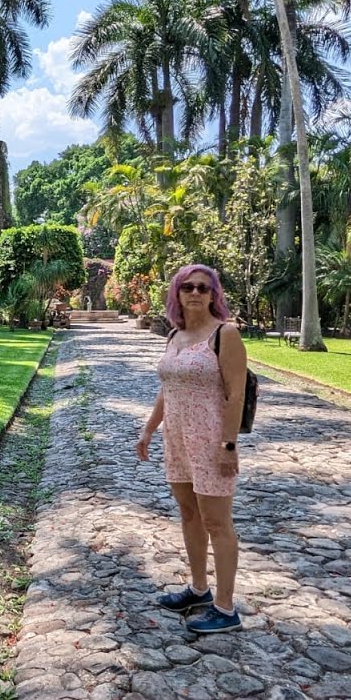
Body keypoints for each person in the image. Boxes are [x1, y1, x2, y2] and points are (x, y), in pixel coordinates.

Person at [136, 264, 248, 634]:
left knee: (217, 522)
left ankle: (226, 607)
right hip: (178, 441)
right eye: (188, 287)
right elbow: (168, 388)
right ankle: (199, 590)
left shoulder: (225, 335)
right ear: (177, 294)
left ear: (214, 294)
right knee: (188, 514)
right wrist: (149, 430)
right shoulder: (175, 335)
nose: (195, 293)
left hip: (212, 442)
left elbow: (236, 394)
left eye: (203, 287)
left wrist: (228, 445)